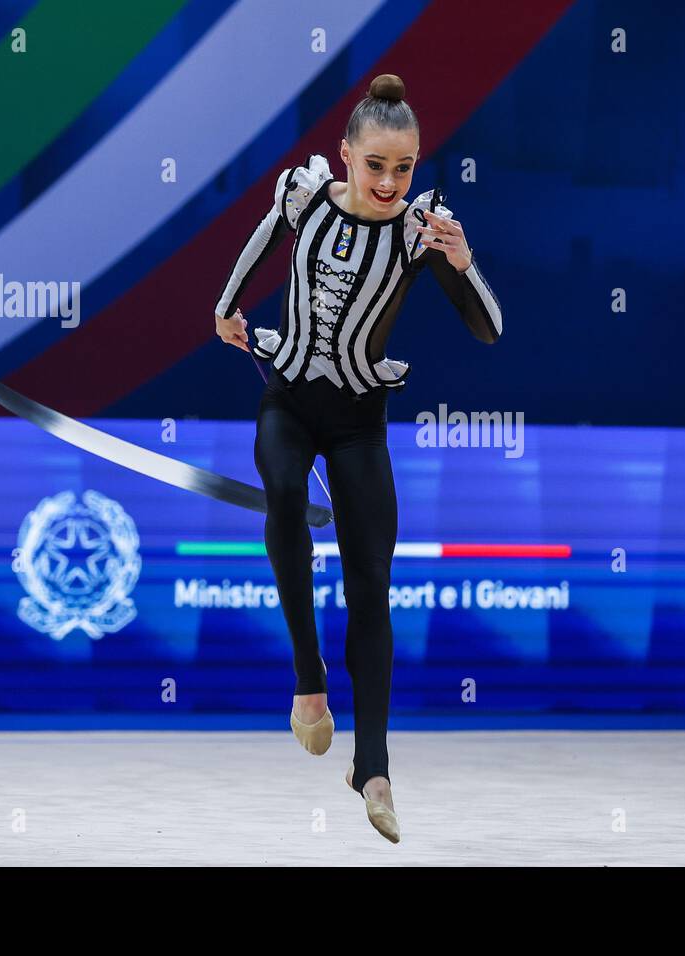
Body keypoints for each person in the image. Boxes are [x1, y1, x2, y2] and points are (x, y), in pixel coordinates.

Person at [212, 73, 503, 843]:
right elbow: (258, 242)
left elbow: (490, 331)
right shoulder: (305, 196)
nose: (388, 182)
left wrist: (464, 259)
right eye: (375, 165)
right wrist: (227, 307)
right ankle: (308, 685)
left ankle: (372, 769)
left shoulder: (419, 230)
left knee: (371, 583)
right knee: (280, 490)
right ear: (345, 155)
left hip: (358, 423)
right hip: (290, 400)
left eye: (403, 168)